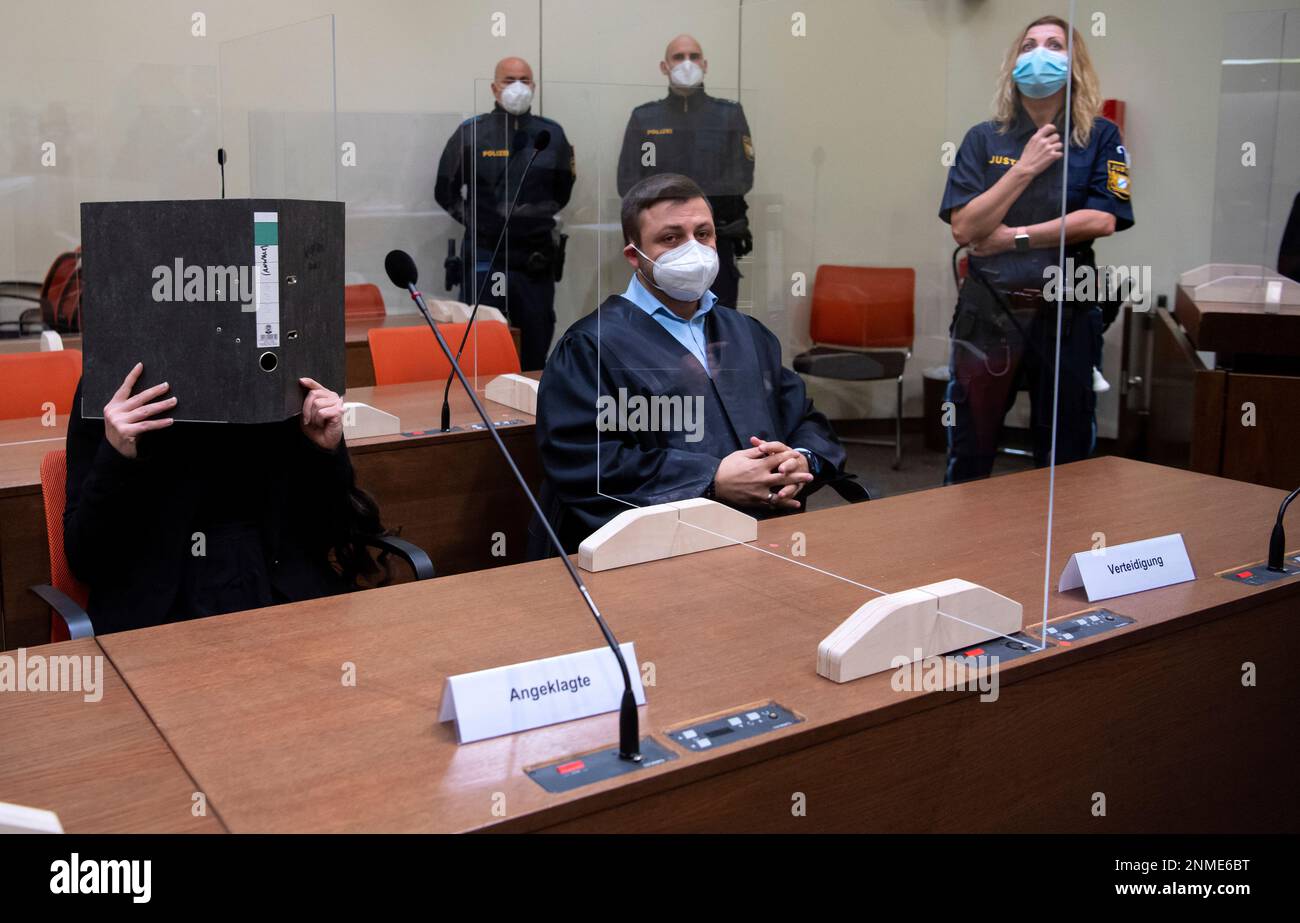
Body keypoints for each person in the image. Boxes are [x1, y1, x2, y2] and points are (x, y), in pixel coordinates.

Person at [530, 173, 849, 555]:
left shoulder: (746, 333)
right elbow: (586, 463)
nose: (693, 250)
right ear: (635, 255)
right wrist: (710, 481)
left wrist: (800, 461)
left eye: (703, 234)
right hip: (657, 554)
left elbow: (805, 420)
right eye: (671, 238)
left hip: (764, 541)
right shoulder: (590, 347)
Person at [939, 14, 1134, 484]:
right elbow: (965, 226)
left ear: (1075, 63)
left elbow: (1102, 219)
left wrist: (1012, 236)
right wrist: (1023, 170)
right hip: (990, 309)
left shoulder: (1100, 136)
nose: (1039, 54)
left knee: (1064, 452)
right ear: (1014, 64)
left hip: (1067, 306)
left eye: (1053, 44)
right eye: (1028, 45)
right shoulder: (983, 138)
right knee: (971, 444)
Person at [63, 362, 388, 634]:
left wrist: (325, 450)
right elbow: (85, 560)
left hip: (278, 598)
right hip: (162, 616)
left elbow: (330, 529)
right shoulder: (112, 381)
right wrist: (117, 456)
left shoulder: (281, 373)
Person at [434, 56, 575, 370]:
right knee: (480, 351)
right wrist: (484, 223)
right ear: (494, 88)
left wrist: (531, 217)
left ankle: (535, 416)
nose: (518, 87)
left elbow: (562, 191)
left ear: (534, 86)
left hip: (534, 262)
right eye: (510, 80)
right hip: (486, 256)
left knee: (535, 350)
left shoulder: (551, 135)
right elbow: (445, 191)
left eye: (524, 80)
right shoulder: (472, 132)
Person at [617, 34, 754, 309]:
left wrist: (698, 217)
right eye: (679, 57)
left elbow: (742, 177)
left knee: (719, 327)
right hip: (662, 247)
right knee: (659, 328)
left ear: (705, 64)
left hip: (713, 243)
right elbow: (628, 183)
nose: (687, 63)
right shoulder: (645, 117)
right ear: (664, 66)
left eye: (693, 57)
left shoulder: (728, 115)